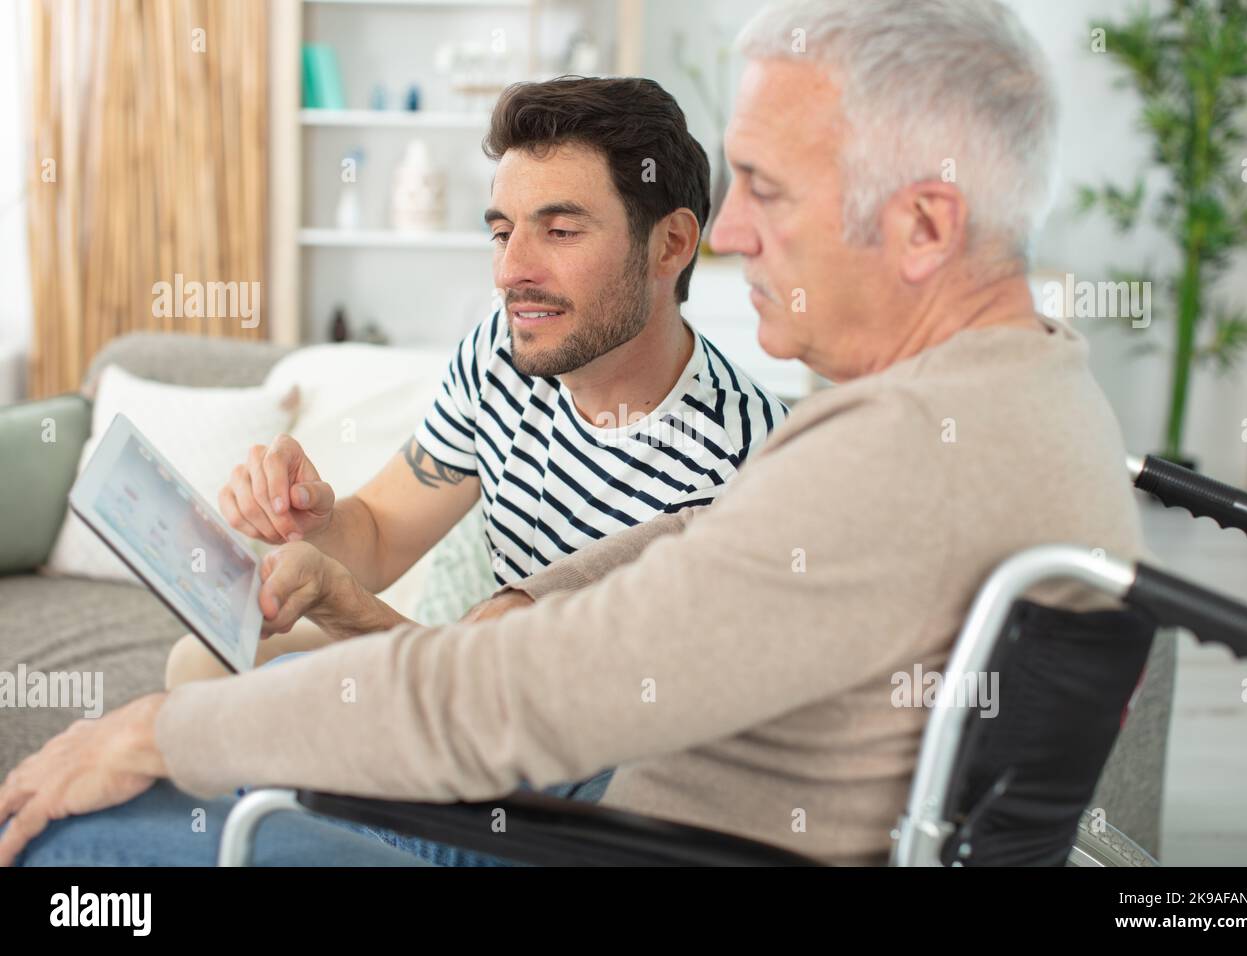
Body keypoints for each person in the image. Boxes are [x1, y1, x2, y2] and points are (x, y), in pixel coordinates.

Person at [1, 0, 1142, 867]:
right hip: (594, 787)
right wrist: (494, 600)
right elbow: (656, 585)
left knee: (68, 839)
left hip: (580, 827)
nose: (738, 233)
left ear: (923, 223)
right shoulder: (1011, 400)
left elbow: (517, 701)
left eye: (768, 190)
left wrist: (166, 734)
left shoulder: (895, 450)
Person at [165, 75, 787, 687]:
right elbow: (380, 536)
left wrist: (340, 603)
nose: (510, 271)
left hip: (567, 736)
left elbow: (538, 721)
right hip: (475, 676)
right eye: (501, 232)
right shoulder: (503, 350)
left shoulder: (746, 468)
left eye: (561, 231)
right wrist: (310, 519)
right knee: (203, 656)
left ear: (671, 244)